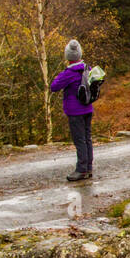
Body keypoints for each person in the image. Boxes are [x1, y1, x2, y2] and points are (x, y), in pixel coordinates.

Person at [50, 39, 94, 181]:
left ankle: (81, 169)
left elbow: (54, 86)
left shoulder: (69, 73)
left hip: (75, 112)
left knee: (79, 140)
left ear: (68, 56)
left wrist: (60, 74)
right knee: (87, 139)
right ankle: (88, 168)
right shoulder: (88, 68)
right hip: (88, 108)